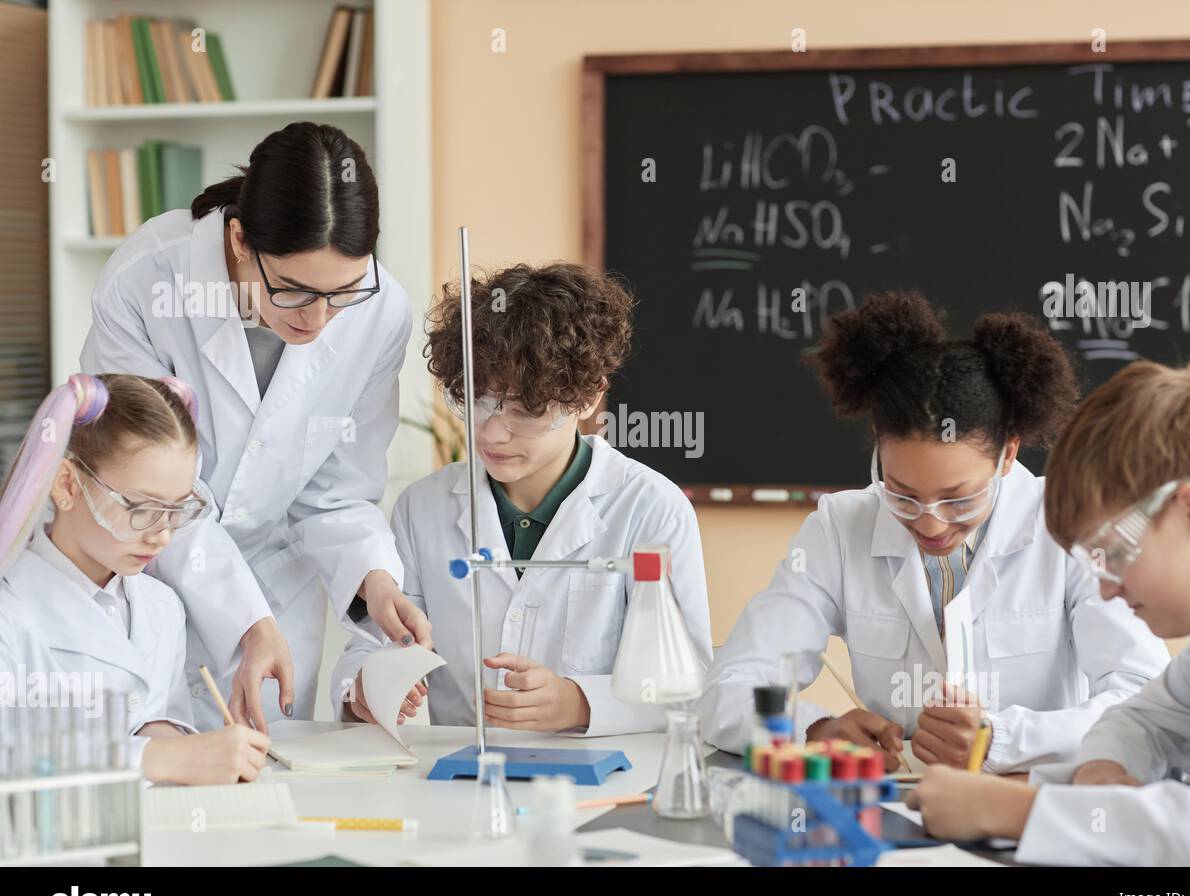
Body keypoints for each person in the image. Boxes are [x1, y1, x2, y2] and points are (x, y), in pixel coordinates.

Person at [699, 291, 1168, 772]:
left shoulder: (1069, 524)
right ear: (880, 448)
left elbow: (1146, 703)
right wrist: (812, 730)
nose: (929, 521)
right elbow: (726, 693)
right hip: (894, 811)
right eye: (901, 493)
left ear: (1008, 452)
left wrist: (1001, 739)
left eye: (958, 499)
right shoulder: (840, 529)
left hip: (1030, 808)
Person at [80, 122, 429, 731]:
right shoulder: (148, 280)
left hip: (276, 581)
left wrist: (373, 580)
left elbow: (339, 490)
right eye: (293, 291)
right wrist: (244, 620)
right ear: (240, 239)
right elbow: (144, 483)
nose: (319, 318)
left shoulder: (381, 311)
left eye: (343, 292)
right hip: (142, 563)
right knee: (143, 774)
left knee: (267, 789)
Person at [906, 361, 1190, 866]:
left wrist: (1019, 810)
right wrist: (1102, 772)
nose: (1107, 591)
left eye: (1109, 555)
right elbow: (1142, 721)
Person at [332, 262, 712, 735]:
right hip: (462, 781)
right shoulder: (422, 508)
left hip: (602, 781)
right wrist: (364, 689)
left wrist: (580, 704)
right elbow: (370, 648)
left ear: (588, 398)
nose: (492, 432)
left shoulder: (651, 508)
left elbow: (691, 683)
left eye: (524, 409)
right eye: (479, 400)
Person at [0, 374, 268, 784]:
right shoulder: (10, 611)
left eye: (177, 510)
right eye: (141, 508)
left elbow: (157, 720)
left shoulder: (161, 607)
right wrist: (161, 759)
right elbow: (11, 756)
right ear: (67, 484)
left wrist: (177, 742)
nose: (161, 535)